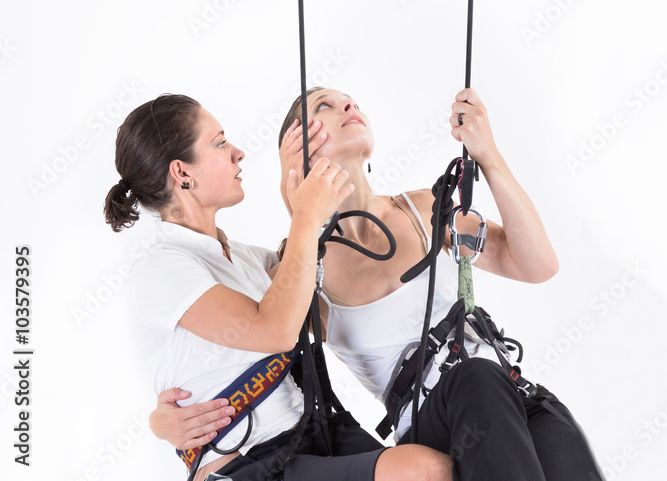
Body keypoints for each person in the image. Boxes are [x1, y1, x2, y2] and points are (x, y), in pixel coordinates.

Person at [150, 87, 605, 481]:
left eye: (350, 100)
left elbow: (537, 264)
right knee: (475, 376)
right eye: (324, 106)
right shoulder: (300, 267)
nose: (347, 105)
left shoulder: (424, 209)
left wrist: (489, 155)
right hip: (438, 420)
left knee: (506, 396)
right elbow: (257, 339)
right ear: (298, 149)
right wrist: (164, 422)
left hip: (515, 395)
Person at [103, 93, 451, 481]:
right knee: (423, 472)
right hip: (248, 464)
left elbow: (307, 286)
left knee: (441, 468)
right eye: (219, 143)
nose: (238, 153)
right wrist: (303, 216)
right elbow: (276, 329)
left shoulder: (251, 260)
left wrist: (297, 198)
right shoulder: (162, 266)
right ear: (182, 173)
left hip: (315, 434)